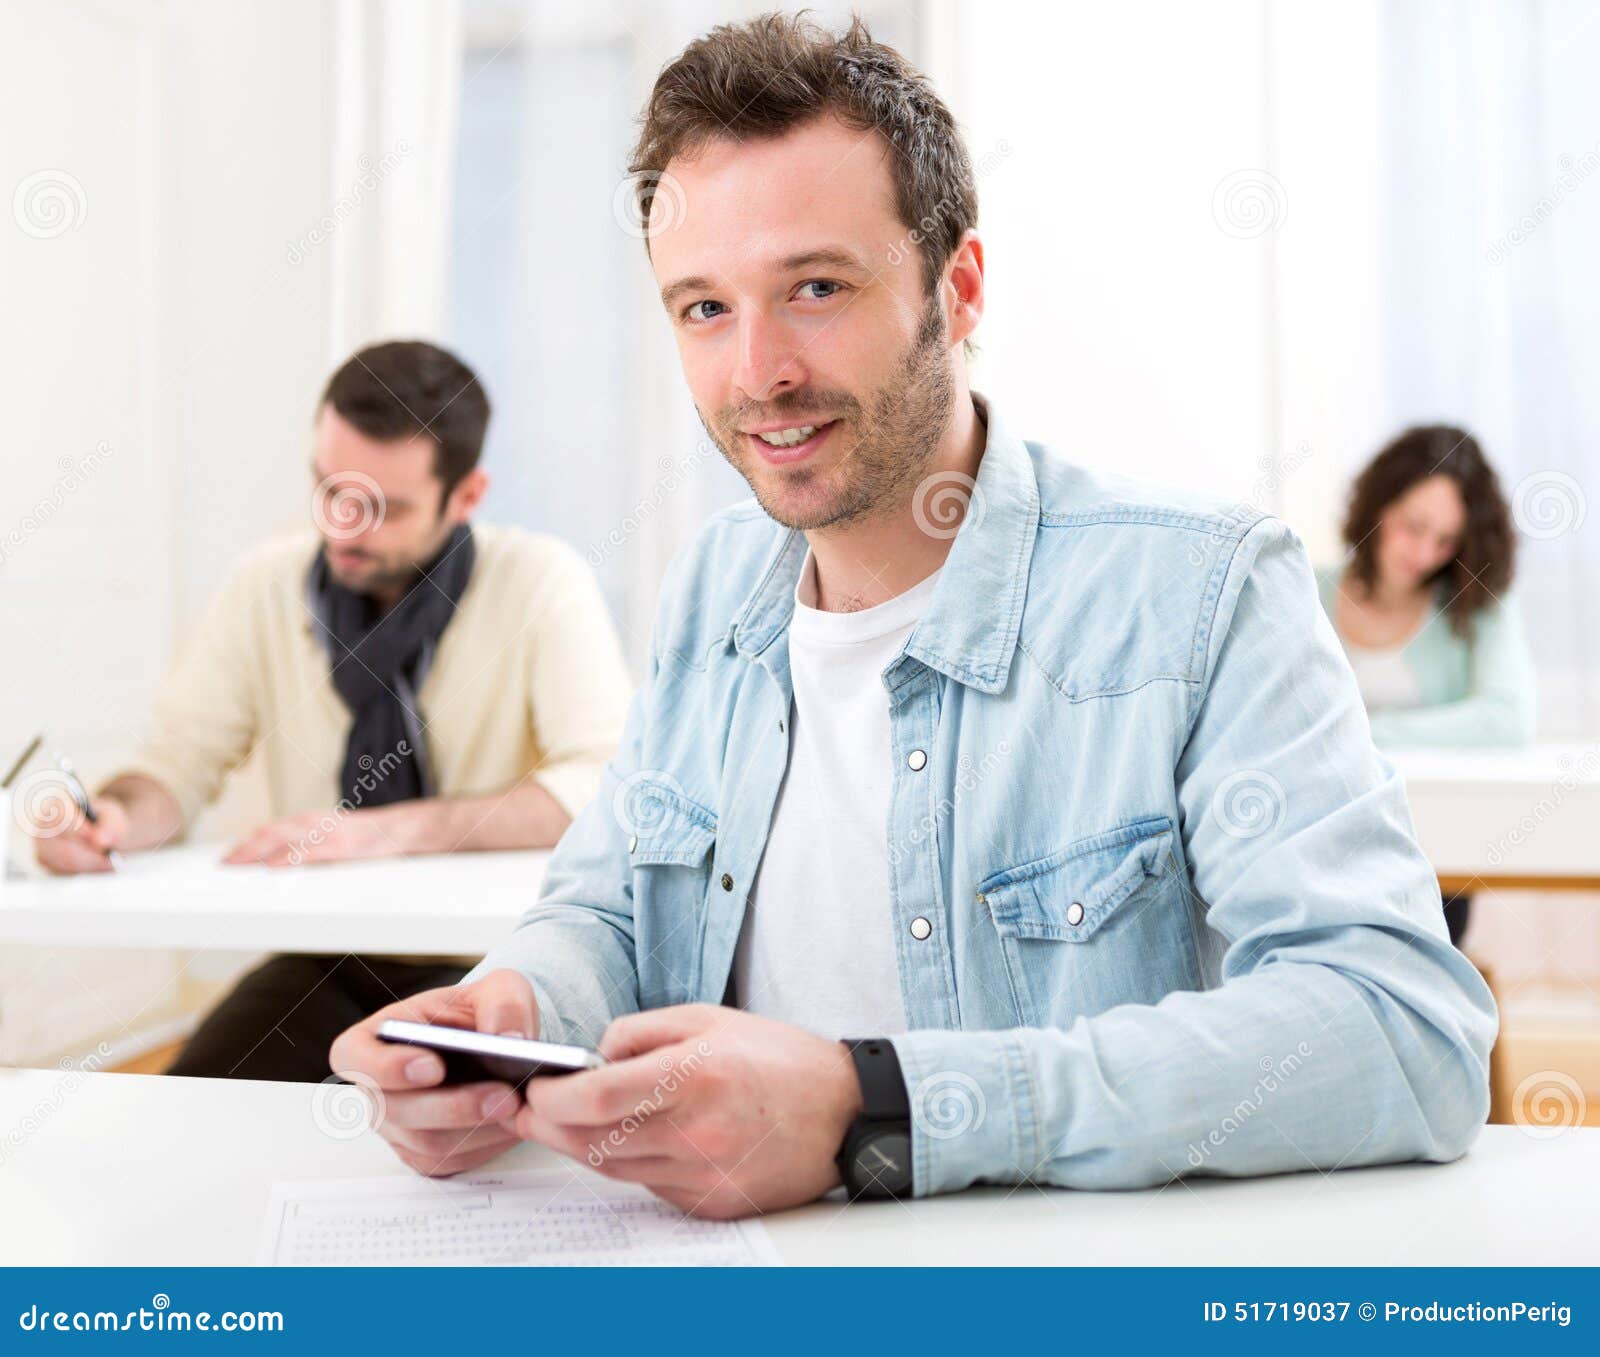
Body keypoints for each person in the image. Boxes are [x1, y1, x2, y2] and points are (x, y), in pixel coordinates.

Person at [331, 14, 1495, 1218]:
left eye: (816, 288)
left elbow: (1403, 1028)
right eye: (703, 308)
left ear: (959, 288)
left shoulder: (1199, 594)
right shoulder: (716, 584)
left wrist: (869, 1108)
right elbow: (609, 908)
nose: (758, 371)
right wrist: (509, 1012)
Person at [36, 339, 632, 1082]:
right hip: (327, 956)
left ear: (467, 495)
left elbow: (604, 793)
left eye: (383, 507)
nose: (343, 527)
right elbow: (176, 764)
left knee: (454, 1143)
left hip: (495, 960)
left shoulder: (541, 581)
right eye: (329, 488)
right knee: (188, 1106)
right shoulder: (263, 583)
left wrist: (381, 833)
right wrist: (116, 817)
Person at [1317, 424, 1537, 946]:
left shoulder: (1474, 605)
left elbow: (1508, 718)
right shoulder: (1306, 589)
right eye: (1413, 527)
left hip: (1429, 845)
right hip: (1320, 835)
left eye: (1445, 540)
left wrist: (1364, 733)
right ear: (1378, 506)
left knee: (1411, 941)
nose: (1424, 552)